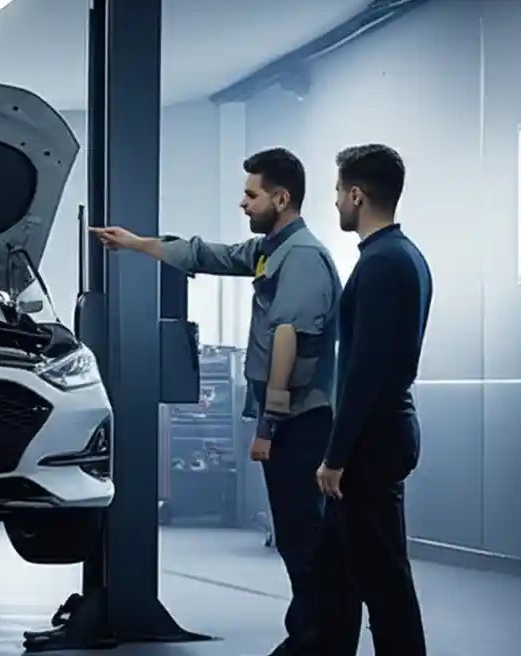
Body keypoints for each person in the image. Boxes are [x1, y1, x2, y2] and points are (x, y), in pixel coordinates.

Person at [91, 147, 340, 656]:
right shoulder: (273, 248)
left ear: (281, 197)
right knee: (295, 535)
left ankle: (317, 642)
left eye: (251, 194)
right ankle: (310, 639)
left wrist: (268, 425)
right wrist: (138, 244)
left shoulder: (304, 258)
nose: (243, 204)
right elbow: (210, 254)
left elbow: (290, 341)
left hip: (301, 420)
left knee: (304, 537)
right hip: (289, 419)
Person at [316, 143, 431, 656]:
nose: (337, 201)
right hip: (380, 434)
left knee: (384, 583)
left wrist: (336, 457)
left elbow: (365, 371)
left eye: (339, 191)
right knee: (339, 578)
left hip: (372, 442)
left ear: (357, 195)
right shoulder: (400, 256)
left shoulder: (384, 264)